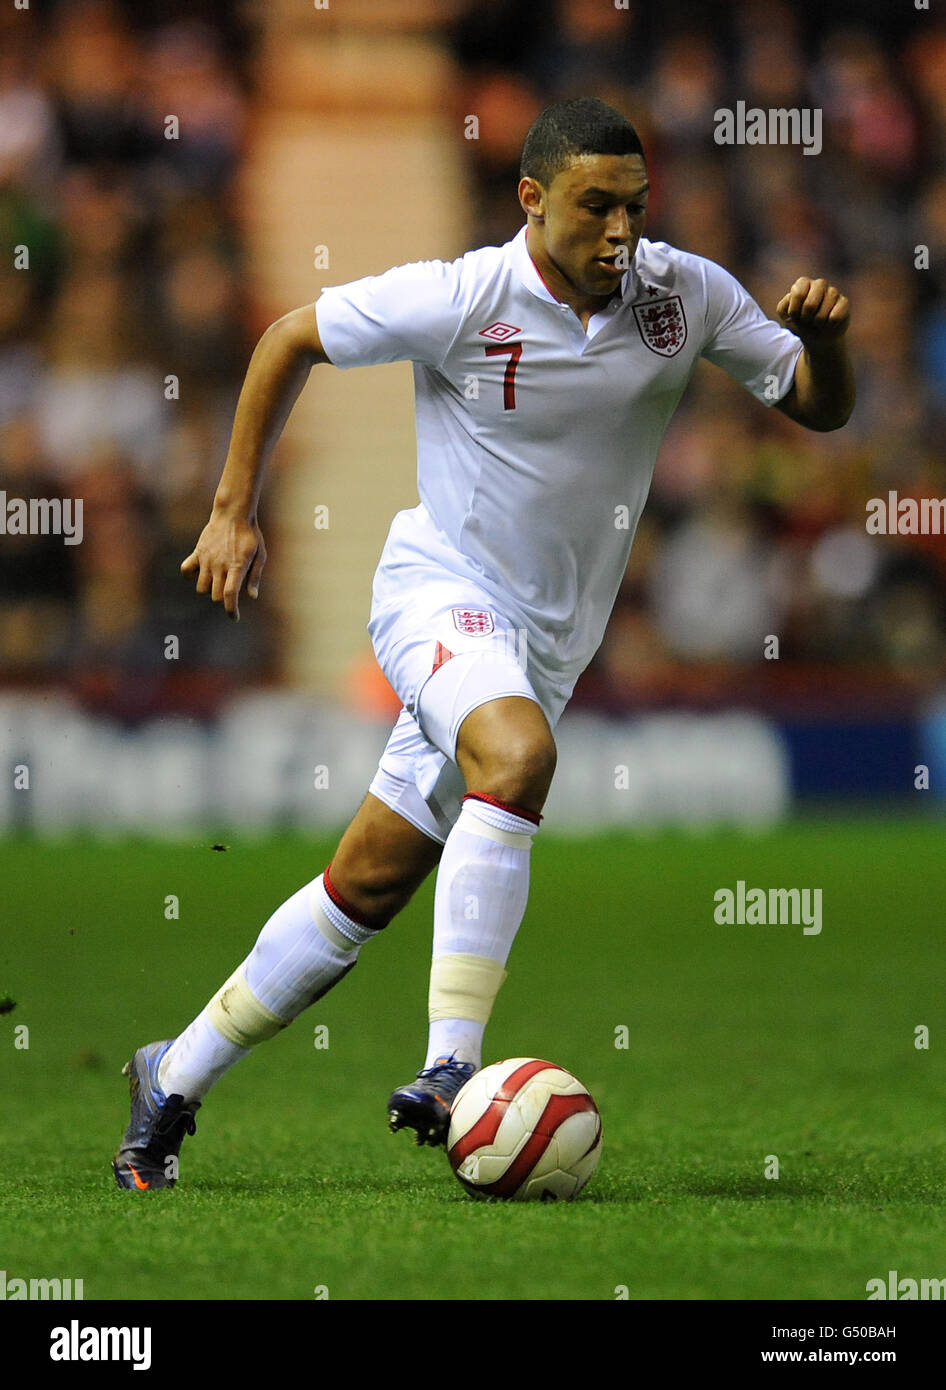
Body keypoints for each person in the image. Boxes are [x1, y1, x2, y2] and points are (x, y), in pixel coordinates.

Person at [113, 97, 853, 1189]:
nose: (620, 232)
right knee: (517, 759)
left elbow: (816, 406)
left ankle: (170, 1073)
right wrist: (231, 508)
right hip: (438, 597)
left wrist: (829, 349)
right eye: (595, 206)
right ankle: (453, 1067)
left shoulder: (682, 295)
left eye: (635, 208)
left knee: (363, 886)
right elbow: (288, 338)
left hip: (542, 650)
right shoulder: (461, 296)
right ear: (532, 198)